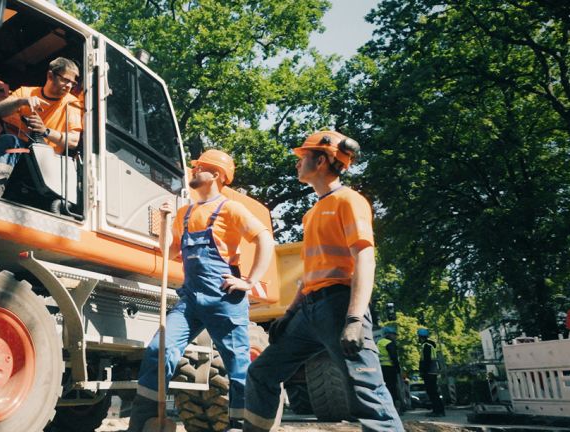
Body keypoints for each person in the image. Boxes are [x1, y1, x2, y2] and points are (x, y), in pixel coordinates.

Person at [244, 130, 404, 432]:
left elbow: (364, 260)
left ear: (320, 160)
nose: (297, 163)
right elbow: (311, 273)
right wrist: (290, 313)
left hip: (339, 305)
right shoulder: (313, 212)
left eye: (302, 157)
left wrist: (355, 318)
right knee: (261, 373)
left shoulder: (349, 201)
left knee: (366, 392)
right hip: (309, 311)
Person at [126, 149, 276, 432]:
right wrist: (165, 224)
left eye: (200, 168)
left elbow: (264, 239)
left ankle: (241, 425)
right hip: (191, 299)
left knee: (238, 366)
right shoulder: (185, 212)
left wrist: (249, 280)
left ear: (217, 175)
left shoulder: (230, 208)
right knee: (160, 350)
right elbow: (168, 252)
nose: (193, 172)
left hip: (224, 299)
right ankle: (144, 421)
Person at [0, 57, 84, 198]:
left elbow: (73, 141)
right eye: (65, 80)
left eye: (72, 83)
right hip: (18, 153)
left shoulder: (72, 103)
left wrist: (45, 132)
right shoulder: (26, 93)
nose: (69, 86)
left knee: (10, 141)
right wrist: (20, 102)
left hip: (46, 162)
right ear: (50, 75)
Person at [418, 328, 446, 416]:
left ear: (420, 336)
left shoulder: (426, 346)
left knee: (432, 392)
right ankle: (440, 410)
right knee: (434, 392)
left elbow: (426, 360)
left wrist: (423, 372)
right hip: (433, 372)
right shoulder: (430, 345)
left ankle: (437, 411)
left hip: (429, 372)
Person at [379, 326, 403, 412]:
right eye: (394, 335)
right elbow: (393, 356)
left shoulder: (379, 342)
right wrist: (397, 368)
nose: (395, 337)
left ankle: (387, 407)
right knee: (392, 388)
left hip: (381, 368)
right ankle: (395, 408)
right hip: (390, 368)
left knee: (385, 387)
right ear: (388, 334)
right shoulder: (389, 343)